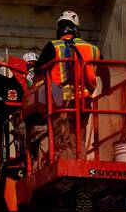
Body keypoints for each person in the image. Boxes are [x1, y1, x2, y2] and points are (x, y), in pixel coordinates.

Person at [35, 11, 101, 158]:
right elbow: (105, 70)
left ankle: (69, 166)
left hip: (61, 103)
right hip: (84, 102)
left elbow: (38, 71)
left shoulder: (53, 46)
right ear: (77, 29)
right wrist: (108, 89)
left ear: (59, 29)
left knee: (62, 141)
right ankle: (80, 164)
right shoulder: (92, 49)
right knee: (79, 139)